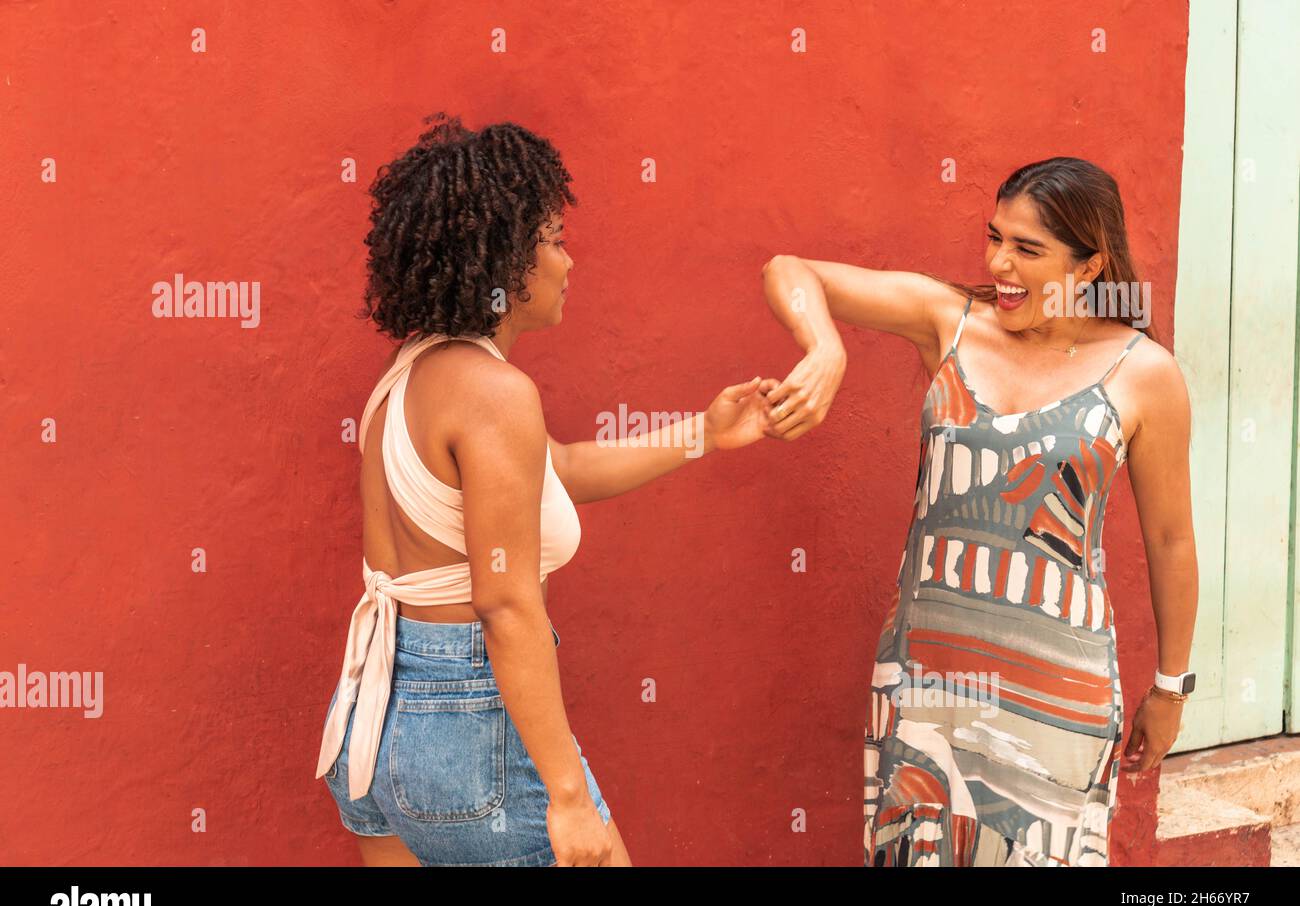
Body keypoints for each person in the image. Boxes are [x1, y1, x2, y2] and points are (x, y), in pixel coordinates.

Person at [315, 113, 777, 866]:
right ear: (505, 260)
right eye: (555, 239)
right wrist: (566, 794)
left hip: (376, 712)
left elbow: (552, 470)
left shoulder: (413, 373)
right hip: (462, 722)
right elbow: (505, 602)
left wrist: (703, 432)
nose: (570, 261)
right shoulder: (495, 394)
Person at [759, 157, 1198, 866]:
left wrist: (1171, 689)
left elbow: (1172, 539)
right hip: (926, 678)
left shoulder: (1144, 374)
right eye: (995, 238)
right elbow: (787, 269)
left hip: (1056, 694)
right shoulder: (951, 323)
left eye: (1028, 250)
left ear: (1089, 267)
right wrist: (824, 348)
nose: (1000, 263)